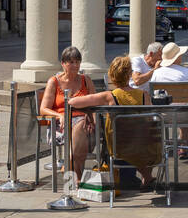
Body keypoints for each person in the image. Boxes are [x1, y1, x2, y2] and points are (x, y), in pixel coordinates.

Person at [68, 56, 160, 188]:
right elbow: (150, 120)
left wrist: (81, 103)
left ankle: (145, 178)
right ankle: (147, 177)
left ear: (111, 76)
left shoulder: (109, 96)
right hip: (144, 147)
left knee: (123, 143)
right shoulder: (144, 95)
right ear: (129, 75)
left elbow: (72, 102)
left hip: (118, 147)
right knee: (140, 142)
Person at [39, 46, 96, 173]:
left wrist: (94, 121)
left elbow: (94, 104)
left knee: (82, 126)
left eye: (77, 62)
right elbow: (43, 109)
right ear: (63, 64)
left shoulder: (86, 80)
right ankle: (76, 175)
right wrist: (60, 116)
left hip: (85, 124)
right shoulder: (54, 82)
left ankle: (70, 164)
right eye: (71, 62)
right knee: (80, 131)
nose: (75, 65)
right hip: (60, 126)